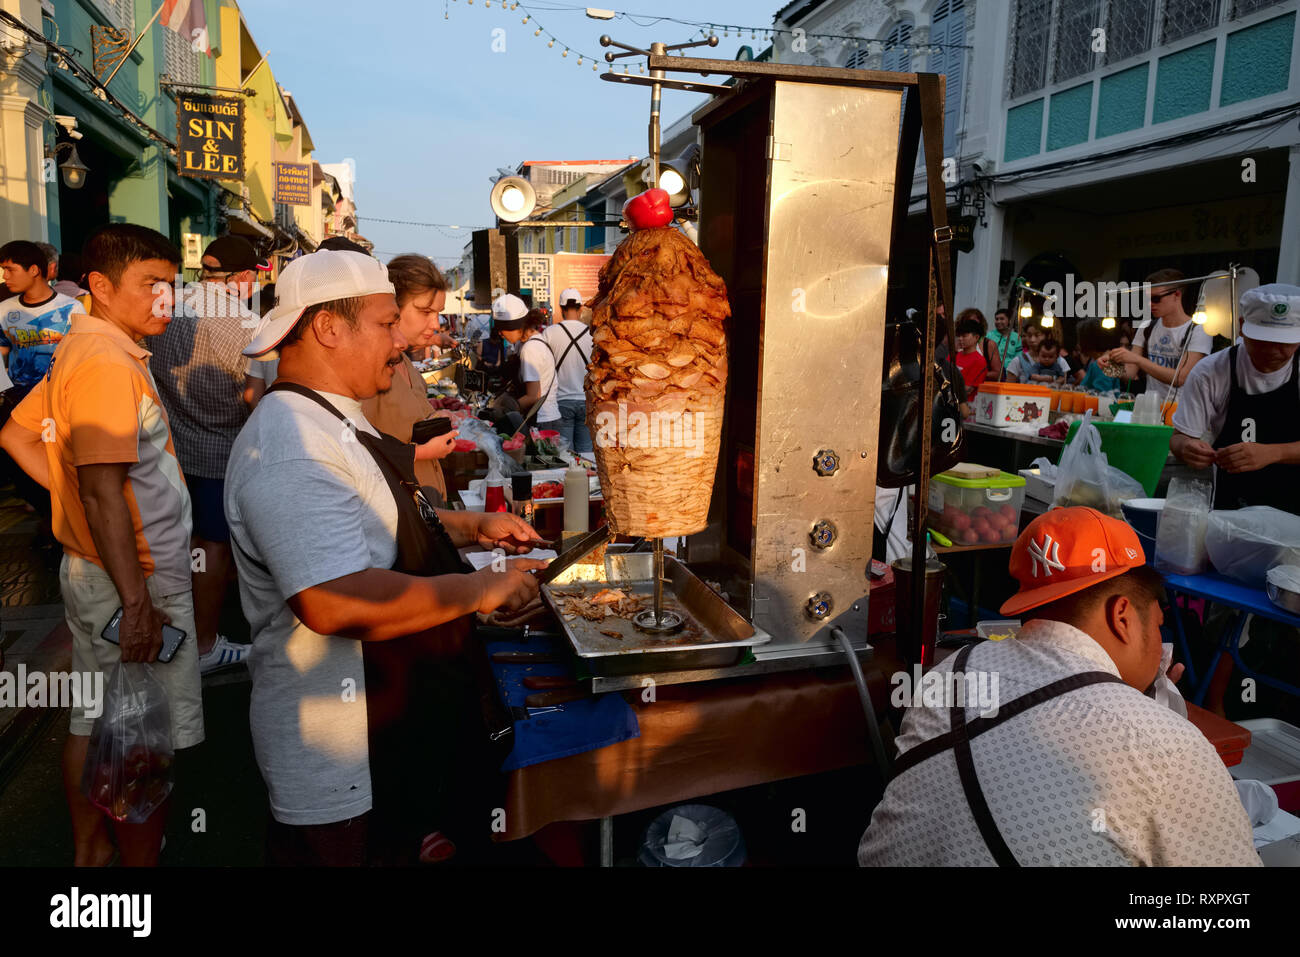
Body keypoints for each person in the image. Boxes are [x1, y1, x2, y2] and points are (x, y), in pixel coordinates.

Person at [225, 250, 547, 866]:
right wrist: (480, 591)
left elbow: (374, 522)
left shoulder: (333, 418)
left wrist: (472, 526)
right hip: (340, 751)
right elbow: (333, 597)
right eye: (382, 323)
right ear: (328, 327)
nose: (396, 341)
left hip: (389, 726)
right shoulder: (293, 443)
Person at [858, 506, 1260, 866]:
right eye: (1158, 624)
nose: (1160, 643)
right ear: (1122, 616)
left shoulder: (948, 674)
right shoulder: (1168, 745)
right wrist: (1153, 718)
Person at [0, 224, 204, 866]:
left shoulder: (85, 351)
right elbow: (102, 492)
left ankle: (93, 849)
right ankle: (135, 865)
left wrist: (72, 497)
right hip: (132, 576)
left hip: (102, 570)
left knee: (94, 717)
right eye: (150, 285)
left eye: (170, 285)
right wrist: (139, 601)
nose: (164, 301)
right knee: (142, 732)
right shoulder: (106, 364)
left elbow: (18, 437)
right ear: (99, 285)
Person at [147, 235, 261, 674]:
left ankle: (178, 632)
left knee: (183, 543)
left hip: (174, 447)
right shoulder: (244, 321)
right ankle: (206, 643)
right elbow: (255, 395)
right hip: (222, 451)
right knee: (212, 546)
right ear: (245, 277)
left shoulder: (169, 306)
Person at [1170, 284, 1300, 513]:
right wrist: (1187, 447)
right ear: (1242, 327)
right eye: (1262, 341)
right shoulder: (1211, 372)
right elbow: (1179, 438)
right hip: (1231, 509)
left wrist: (1273, 453)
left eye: (1284, 343)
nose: (1272, 351)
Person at [360, 254, 459, 507]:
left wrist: (434, 421)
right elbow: (357, 451)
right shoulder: (369, 369)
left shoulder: (404, 363)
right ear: (392, 307)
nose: (435, 324)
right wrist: (425, 451)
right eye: (425, 312)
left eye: (437, 313)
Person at [1104, 268, 1211, 409]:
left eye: (1156, 299)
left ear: (1176, 295)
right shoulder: (1147, 327)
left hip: (1184, 411)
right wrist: (1111, 365)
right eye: (1148, 299)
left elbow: (1180, 378)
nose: (1150, 304)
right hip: (1151, 408)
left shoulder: (1198, 330)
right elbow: (1130, 372)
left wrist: (1137, 359)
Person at [497, 297, 561, 433]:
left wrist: (506, 409)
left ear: (518, 327)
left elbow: (533, 396)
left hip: (542, 419)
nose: (500, 334)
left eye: (503, 328)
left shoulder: (530, 348)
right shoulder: (525, 343)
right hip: (542, 417)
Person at [542, 288, 593, 455]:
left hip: (561, 401)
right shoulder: (592, 334)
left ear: (561, 309)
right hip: (586, 401)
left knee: (565, 455)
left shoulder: (549, 333)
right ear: (580, 309)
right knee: (586, 454)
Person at [1005, 335, 1069, 383]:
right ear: (1039, 355)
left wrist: (1055, 381)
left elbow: (1063, 378)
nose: (1047, 359)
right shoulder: (1037, 366)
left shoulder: (1058, 365)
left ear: (1057, 357)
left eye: (1050, 357)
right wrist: (1046, 378)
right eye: (1044, 356)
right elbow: (1033, 376)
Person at [952, 314, 990, 393]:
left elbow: (968, 389)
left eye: (964, 336)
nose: (960, 339)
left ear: (976, 337)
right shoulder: (954, 355)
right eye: (959, 336)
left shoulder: (980, 361)